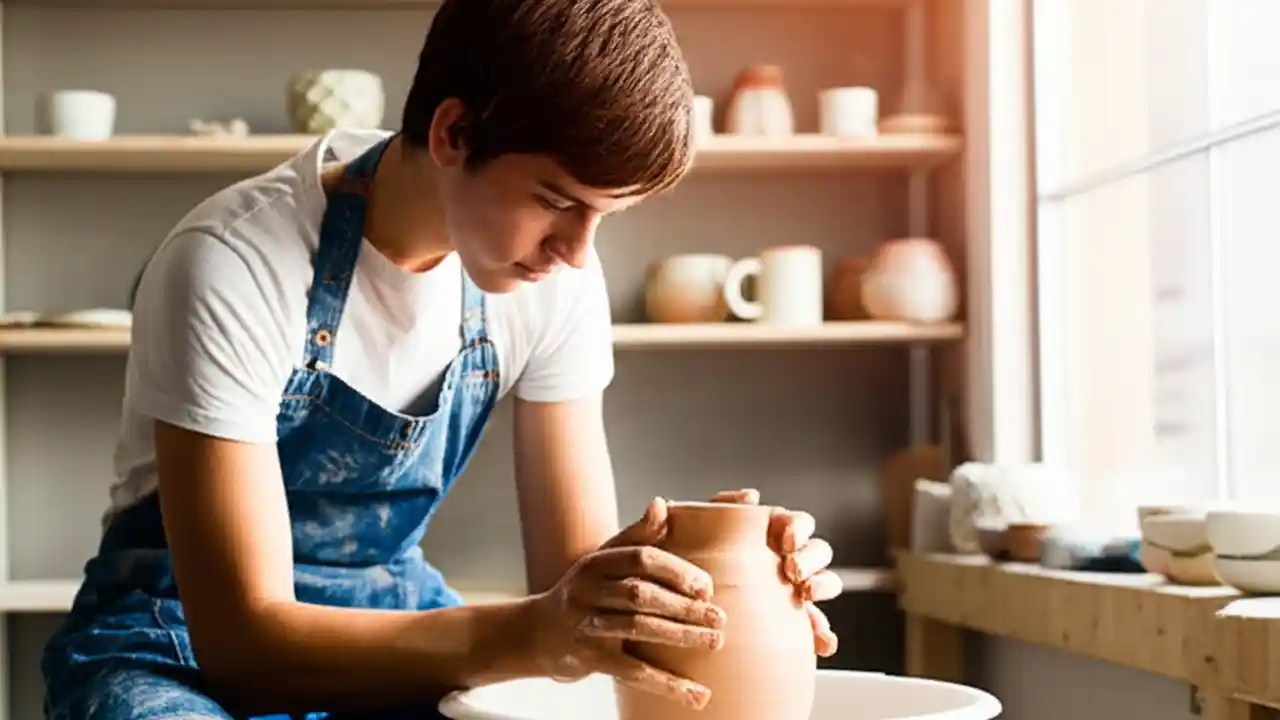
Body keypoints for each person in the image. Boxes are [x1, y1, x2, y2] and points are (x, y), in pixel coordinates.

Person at [40, 1, 843, 718]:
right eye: (558, 202)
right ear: (453, 133)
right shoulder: (232, 263)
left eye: (605, 217)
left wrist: (720, 586)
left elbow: (576, 579)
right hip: (178, 644)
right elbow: (245, 647)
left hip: (397, 624)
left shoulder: (554, 279)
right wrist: (536, 632)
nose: (574, 254)